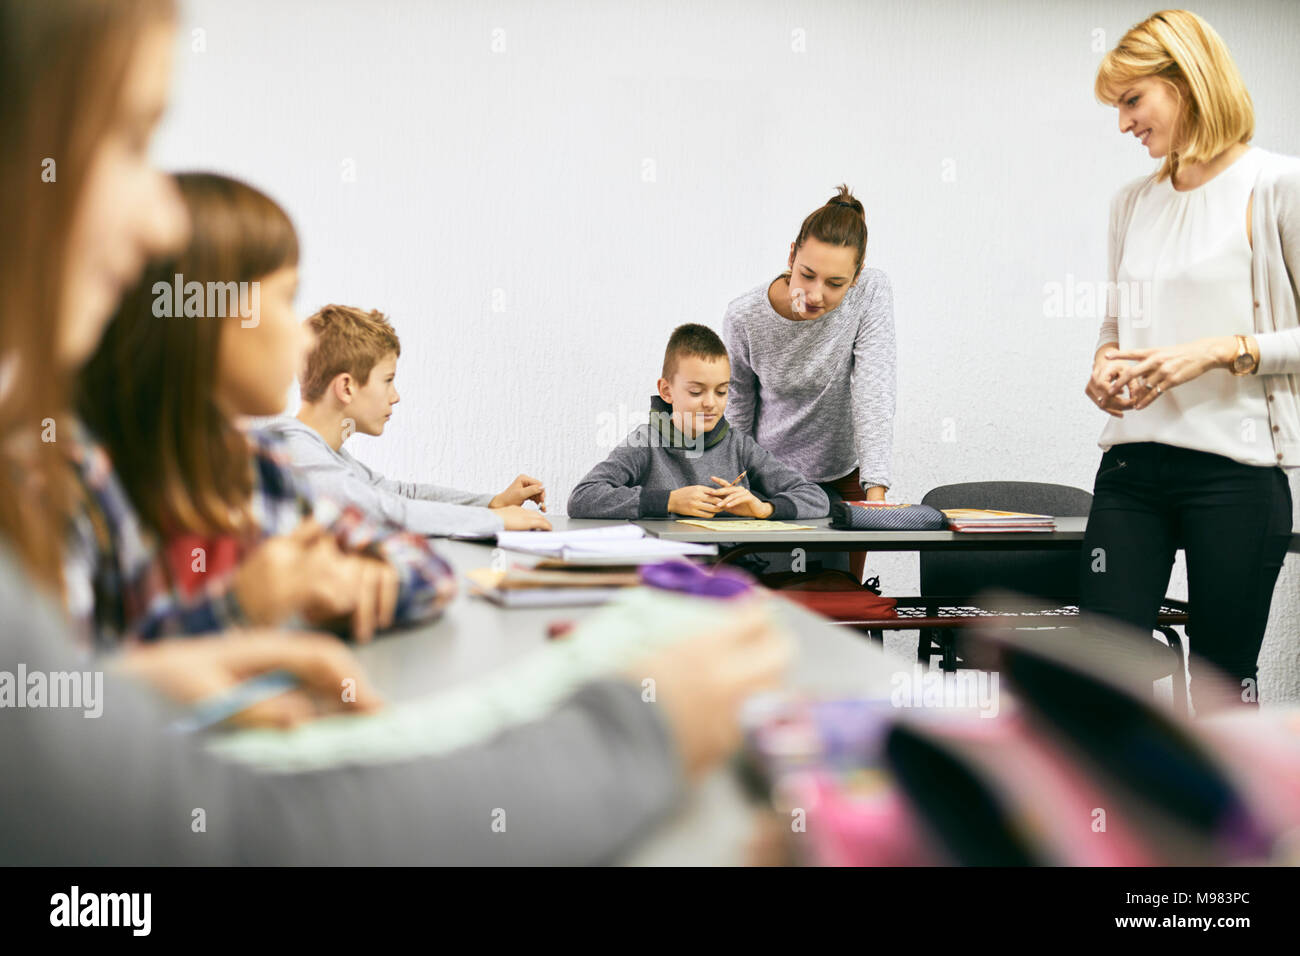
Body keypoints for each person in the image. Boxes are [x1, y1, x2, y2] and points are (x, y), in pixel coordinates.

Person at [0, 0, 789, 864]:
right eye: (125, 139)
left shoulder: (248, 464)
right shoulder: (135, 476)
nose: (155, 220)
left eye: (720, 394)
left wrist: (131, 689)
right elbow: (225, 825)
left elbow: (391, 525)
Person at [74, 173, 457, 648]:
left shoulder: (260, 467)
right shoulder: (84, 485)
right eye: (286, 299)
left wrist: (361, 579)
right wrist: (241, 608)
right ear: (206, 318)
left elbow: (431, 572)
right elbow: (64, 695)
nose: (303, 337)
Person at [1081, 9, 1300, 713]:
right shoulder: (1131, 203)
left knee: (1219, 689)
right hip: (1131, 470)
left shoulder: (1277, 185)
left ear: (1186, 81)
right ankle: (1105, 823)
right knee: (1101, 673)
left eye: (1132, 101)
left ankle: (1230, 825)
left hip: (1235, 476)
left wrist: (1219, 351)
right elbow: (1116, 322)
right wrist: (1103, 365)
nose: (1122, 125)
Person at [722, 185, 896, 580]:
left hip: (843, 476)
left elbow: (874, 386)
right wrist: (738, 488)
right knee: (775, 611)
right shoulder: (744, 316)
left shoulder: (870, 293)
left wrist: (876, 491)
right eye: (807, 274)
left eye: (835, 283)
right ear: (791, 255)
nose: (816, 294)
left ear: (857, 275)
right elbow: (738, 410)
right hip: (769, 479)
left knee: (841, 603)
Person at [262, 304, 550, 536]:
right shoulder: (293, 451)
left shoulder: (325, 452)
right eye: (387, 380)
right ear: (347, 387)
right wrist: (496, 521)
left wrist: (492, 503)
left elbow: (396, 494)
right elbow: (383, 511)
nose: (395, 396)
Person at [567, 323, 829, 519]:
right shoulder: (645, 442)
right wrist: (668, 501)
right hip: (667, 573)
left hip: (732, 571)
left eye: (721, 391)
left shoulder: (739, 446)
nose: (711, 403)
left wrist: (763, 508)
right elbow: (583, 498)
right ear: (667, 391)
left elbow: (816, 498)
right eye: (696, 392)